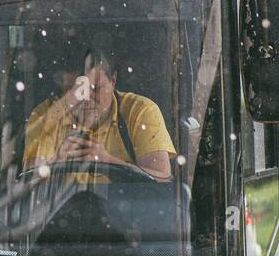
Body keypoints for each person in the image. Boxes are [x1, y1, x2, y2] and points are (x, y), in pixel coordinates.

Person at [22, 48, 174, 182]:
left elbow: (162, 180)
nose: (86, 98)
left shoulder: (141, 112)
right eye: (76, 90)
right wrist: (57, 161)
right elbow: (27, 185)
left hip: (128, 213)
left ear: (113, 81)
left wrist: (107, 161)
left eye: (95, 88)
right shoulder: (45, 116)